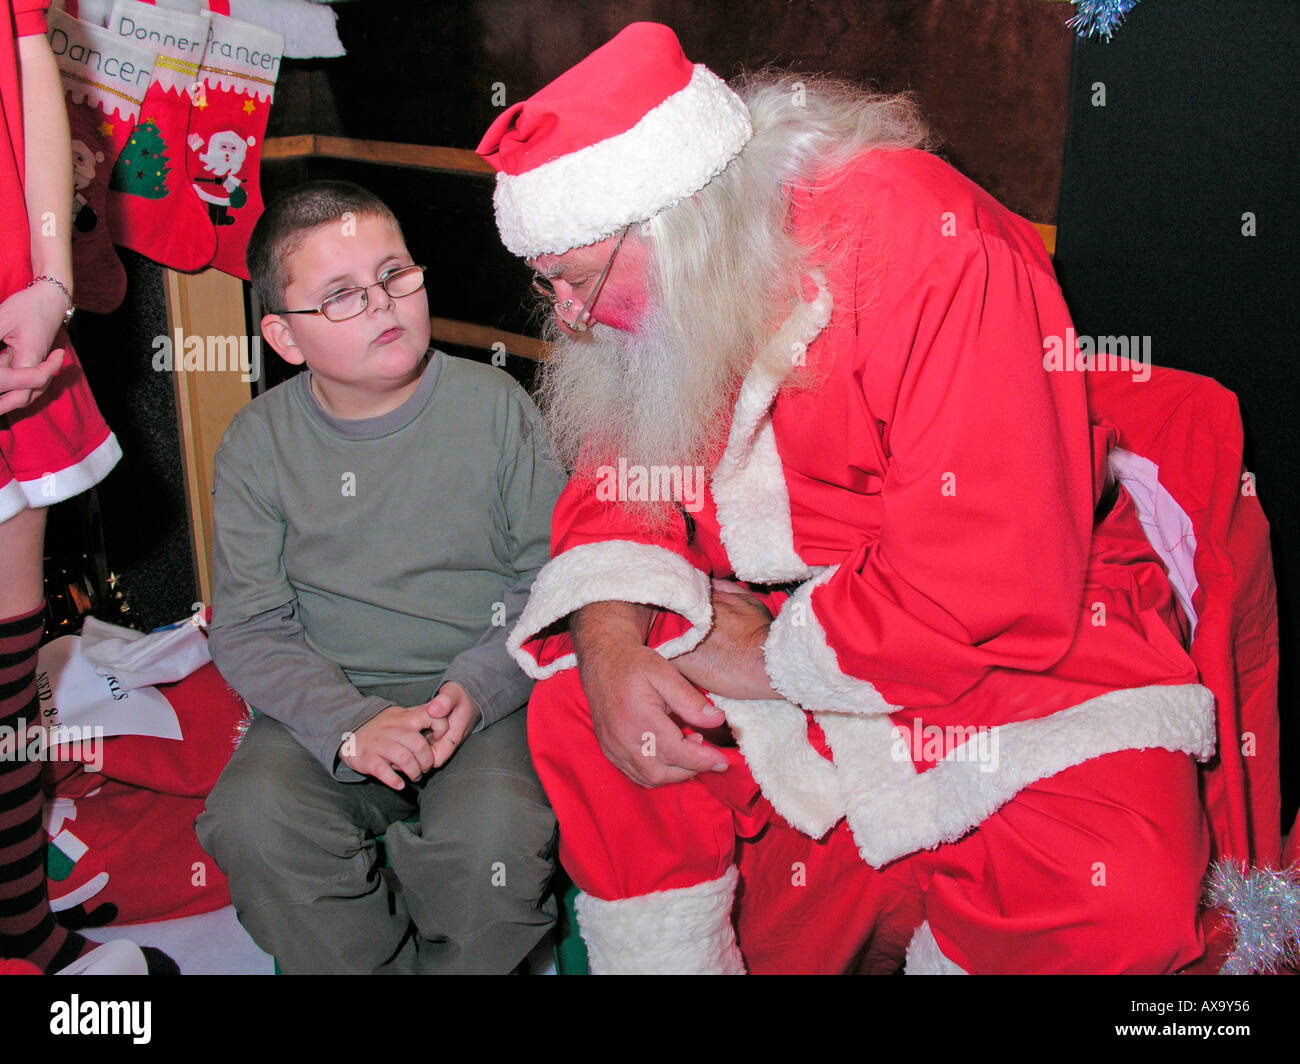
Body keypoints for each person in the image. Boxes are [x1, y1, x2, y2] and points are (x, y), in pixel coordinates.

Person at [476, 22, 1216, 974]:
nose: (569, 321)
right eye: (551, 289)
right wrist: (614, 639)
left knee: (1118, 886)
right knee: (591, 703)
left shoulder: (933, 243)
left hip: (1009, 634)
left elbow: (991, 566)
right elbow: (620, 484)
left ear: (674, 219)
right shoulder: (677, 270)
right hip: (780, 615)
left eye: (577, 284)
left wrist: (772, 661)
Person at [195, 180, 564, 974]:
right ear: (285, 339)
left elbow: (550, 581)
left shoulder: (497, 408)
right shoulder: (257, 443)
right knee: (252, 820)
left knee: (495, 838)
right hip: (329, 702)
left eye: (396, 276)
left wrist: (481, 684)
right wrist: (349, 724)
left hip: (482, 700)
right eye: (340, 296)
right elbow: (251, 628)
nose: (383, 305)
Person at [0, 0, 175, 976]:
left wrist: (50, 279)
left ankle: (20, 927)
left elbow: (26, 58)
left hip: (12, 319)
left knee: (10, 667)